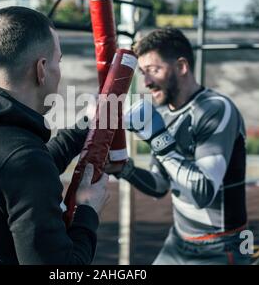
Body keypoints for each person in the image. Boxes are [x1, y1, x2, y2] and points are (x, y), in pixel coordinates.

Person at [0, 6, 109, 265]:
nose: (59, 71)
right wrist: (88, 213)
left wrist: (87, 124)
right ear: (41, 69)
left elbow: (21, 169)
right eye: (58, 61)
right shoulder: (22, 160)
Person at [106, 27, 250, 265]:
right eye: (143, 73)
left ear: (182, 66)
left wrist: (155, 136)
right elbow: (161, 184)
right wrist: (122, 169)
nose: (147, 82)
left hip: (223, 245)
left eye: (153, 70)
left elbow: (202, 193)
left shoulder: (216, 109)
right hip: (180, 240)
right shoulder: (163, 113)